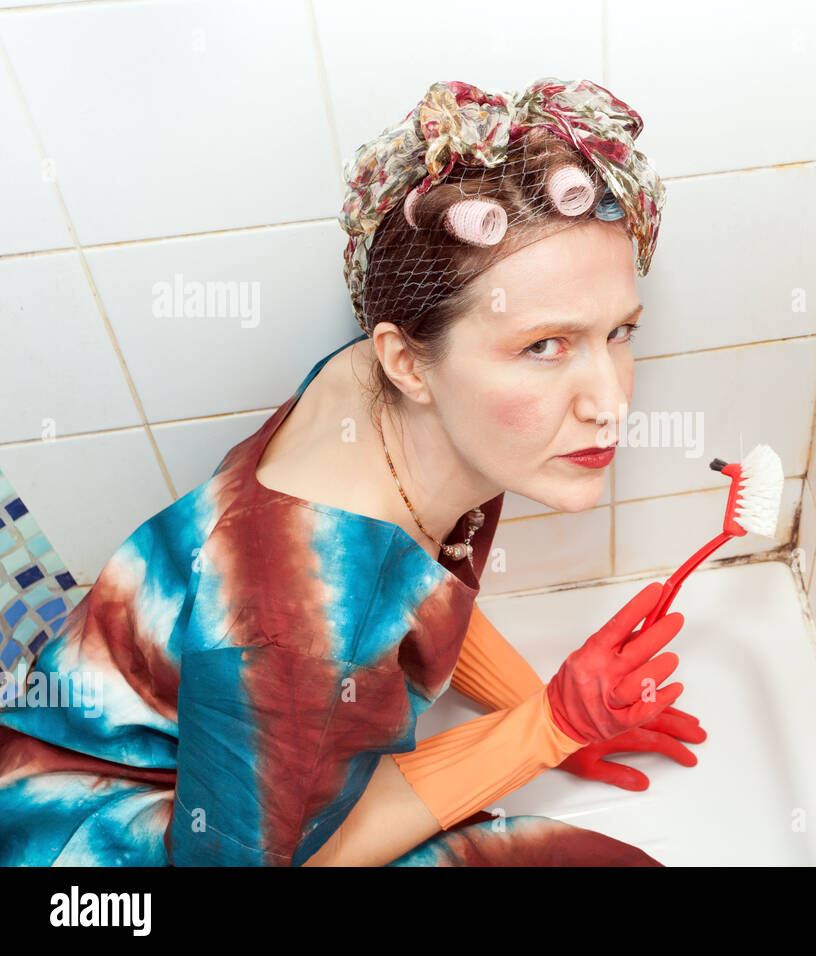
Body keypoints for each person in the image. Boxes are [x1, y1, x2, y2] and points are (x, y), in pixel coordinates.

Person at [0, 77, 706, 866]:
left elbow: (408, 582)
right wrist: (549, 725)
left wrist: (539, 707)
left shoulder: (380, 399)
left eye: (618, 332)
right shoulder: (295, 633)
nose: (608, 404)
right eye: (543, 346)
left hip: (225, 740)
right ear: (405, 360)